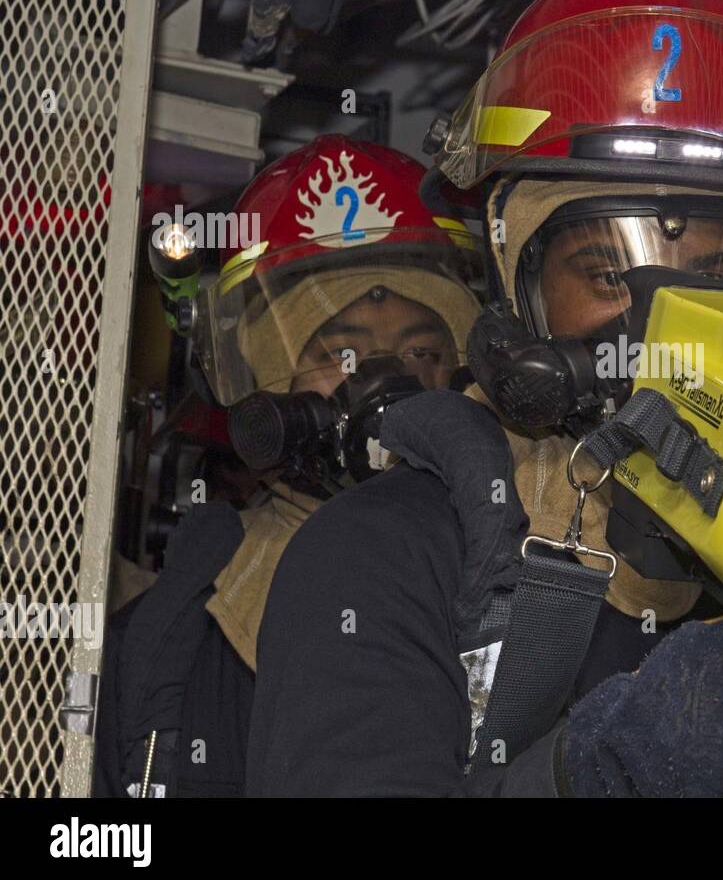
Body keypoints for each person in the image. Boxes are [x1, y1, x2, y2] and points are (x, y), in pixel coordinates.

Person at [245, 0, 723, 797]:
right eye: (612, 272)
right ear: (518, 282)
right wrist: (576, 776)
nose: (670, 327)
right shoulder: (382, 557)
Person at [93, 135, 481, 797]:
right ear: (266, 385)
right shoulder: (169, 646)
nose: (384, 384)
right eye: (341, 354)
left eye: (420, 353)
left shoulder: (529, 588)